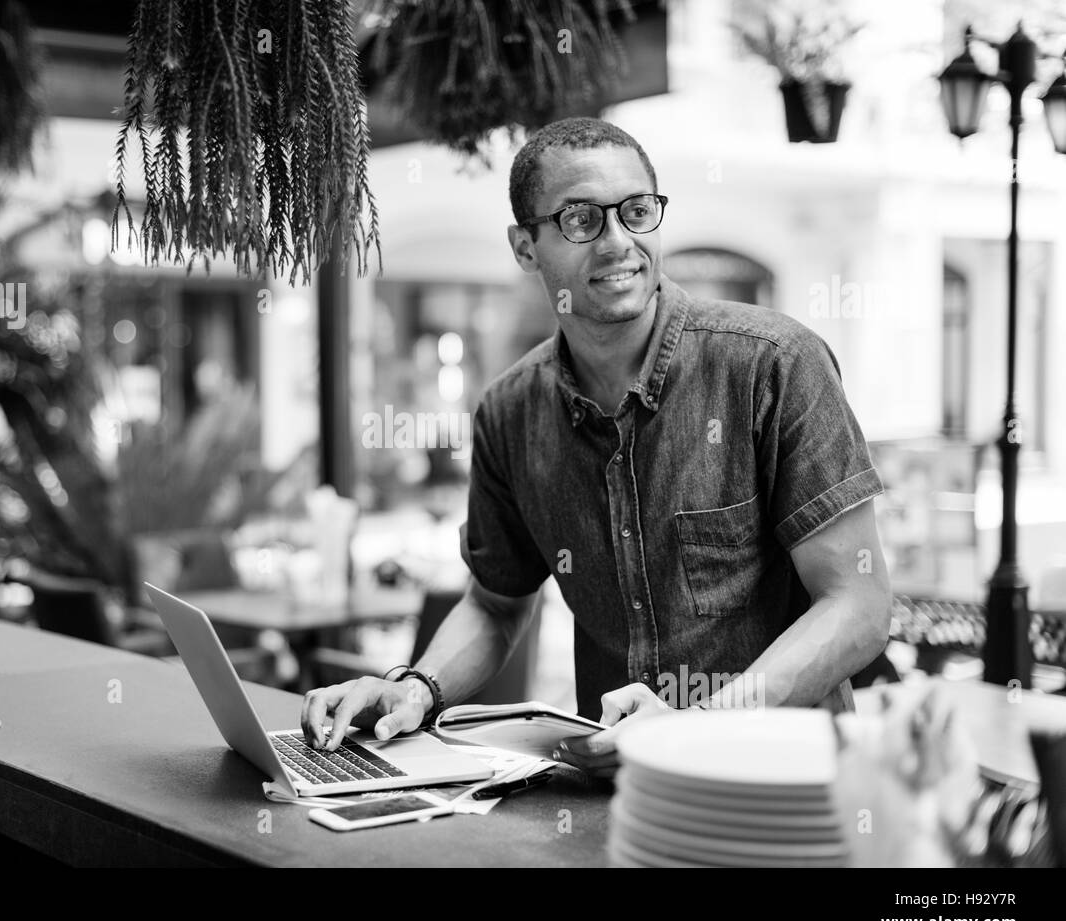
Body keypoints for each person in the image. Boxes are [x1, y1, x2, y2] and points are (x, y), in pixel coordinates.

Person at [301, 117, 892, 778]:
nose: (618, 243)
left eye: (636, 212)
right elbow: (495, 603)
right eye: (581, 219)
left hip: (785, 789)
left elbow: (859, 605)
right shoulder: (510, 412)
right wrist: (415, 688)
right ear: (525, 248)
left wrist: (699, 725)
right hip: (615, 797)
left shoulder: (774, 365)